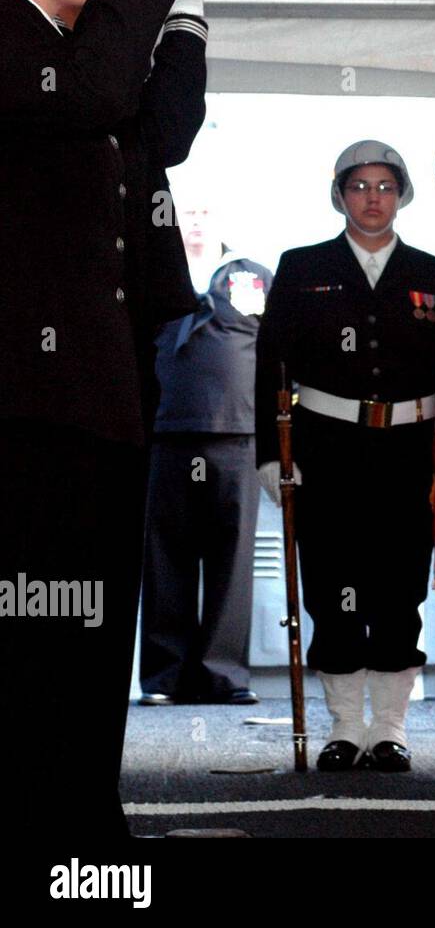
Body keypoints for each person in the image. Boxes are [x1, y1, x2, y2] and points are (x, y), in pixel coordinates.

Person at [0, 0, 200, 839]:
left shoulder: (80, 48)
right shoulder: (9, 38)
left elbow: (153, 131)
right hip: (25, 416)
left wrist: (186, 23)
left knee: (86, 641)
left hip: (93, 403)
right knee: (36, 648)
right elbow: (79, 100)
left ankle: (82, 828)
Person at [255, 141, 435, 773]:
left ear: (402, 196)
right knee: (333, 588)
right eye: (360, 186)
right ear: (339, 194)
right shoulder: (301, 266)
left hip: (408, 453)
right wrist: (269, 455)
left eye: (386, 187)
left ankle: (390, 727)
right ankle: (343, 726)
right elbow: (270, 369)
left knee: (398, 590)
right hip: (328, 450)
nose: (373, 197)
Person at [140, 203, 273, 706]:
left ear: (223, 219)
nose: (195, 220)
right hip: (168, 435)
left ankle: (224, 675)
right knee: (165, 560)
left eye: (205, 212)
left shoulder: (251, 275)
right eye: (187, 211)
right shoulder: (157, 277)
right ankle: (165, 677)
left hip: (236, 437)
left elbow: (274, 350)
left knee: (232, 562)